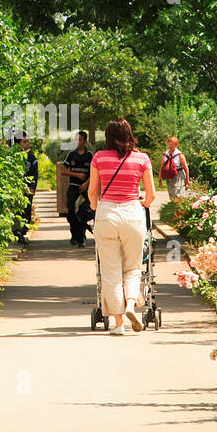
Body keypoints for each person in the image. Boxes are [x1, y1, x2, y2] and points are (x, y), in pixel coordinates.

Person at [88, 118, 155, 335]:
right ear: (130, 135)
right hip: (133, 214)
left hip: (107, 214)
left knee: (110, 271)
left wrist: (95, 206)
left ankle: (119, 324)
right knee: (133, 268)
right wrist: (143, 203)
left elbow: (92, 191)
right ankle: (130, 305)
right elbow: (151, 194)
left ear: (108, 136)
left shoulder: (99, 158)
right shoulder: (142, 159)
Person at [62, 130, 94, 247]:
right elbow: (63, 171)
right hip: (73, 188)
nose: (77, 142)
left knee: (82, 213)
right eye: (76, 139)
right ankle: (74, 235)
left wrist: (86, 183)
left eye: (80, 140)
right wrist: (76, 175)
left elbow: (95, 173)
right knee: (71, 213)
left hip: (85, 189)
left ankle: (81, 238)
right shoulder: (71, 155)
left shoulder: (90, 155)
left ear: (85, 141)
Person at [12, 132, 39, 245]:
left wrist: (32, 187)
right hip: (16, 189)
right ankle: (16, 232)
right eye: (24, 141)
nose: (27, 144)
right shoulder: (13, 157)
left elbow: (35, 174)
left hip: (27, 189)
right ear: (18, 144)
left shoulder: (32, 157)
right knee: (16, 212)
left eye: (28, 141)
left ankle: (22, 233)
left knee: (26, 211)